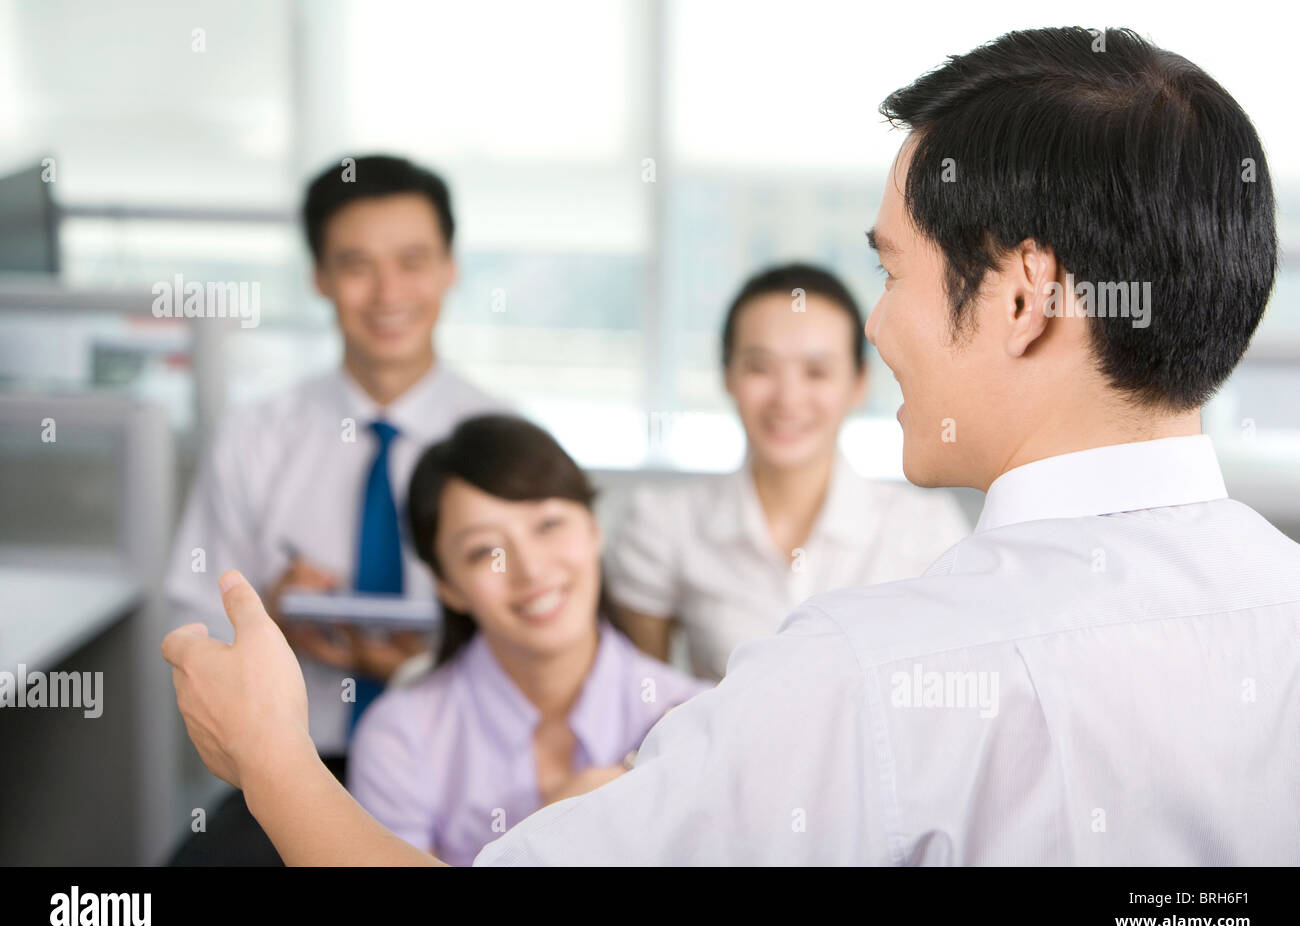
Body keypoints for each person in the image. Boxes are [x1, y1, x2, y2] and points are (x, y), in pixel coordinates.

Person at [162, 26, 1300, 865]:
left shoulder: (860, 674)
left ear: (1022, 301)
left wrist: (269, 753)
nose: (874, 323)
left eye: (891, 270)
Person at [164, 155, 502, 864]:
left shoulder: (505, 441)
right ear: (319, 276)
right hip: (296, 763)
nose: (387, 293)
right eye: (356, 265)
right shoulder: (256, 436)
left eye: (413, 261)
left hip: (467, 767)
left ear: (450, 267)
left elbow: (559, 637)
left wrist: (442, 654)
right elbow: (185, 631)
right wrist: (273, 621)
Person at [347, 415, 714, 865]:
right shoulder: (401, 740)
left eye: (548, 525)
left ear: (595, 529)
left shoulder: (696, 718)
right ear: (447, 585)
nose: (530, 569)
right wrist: (558, 829)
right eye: (485, 551)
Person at [607, 263, 969, 679]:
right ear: (728, 375)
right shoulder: (662, 525)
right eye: (760, 367)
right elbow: (643, 703)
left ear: (858, 383)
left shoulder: (927, 530)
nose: (788, 398)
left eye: (816, 372)